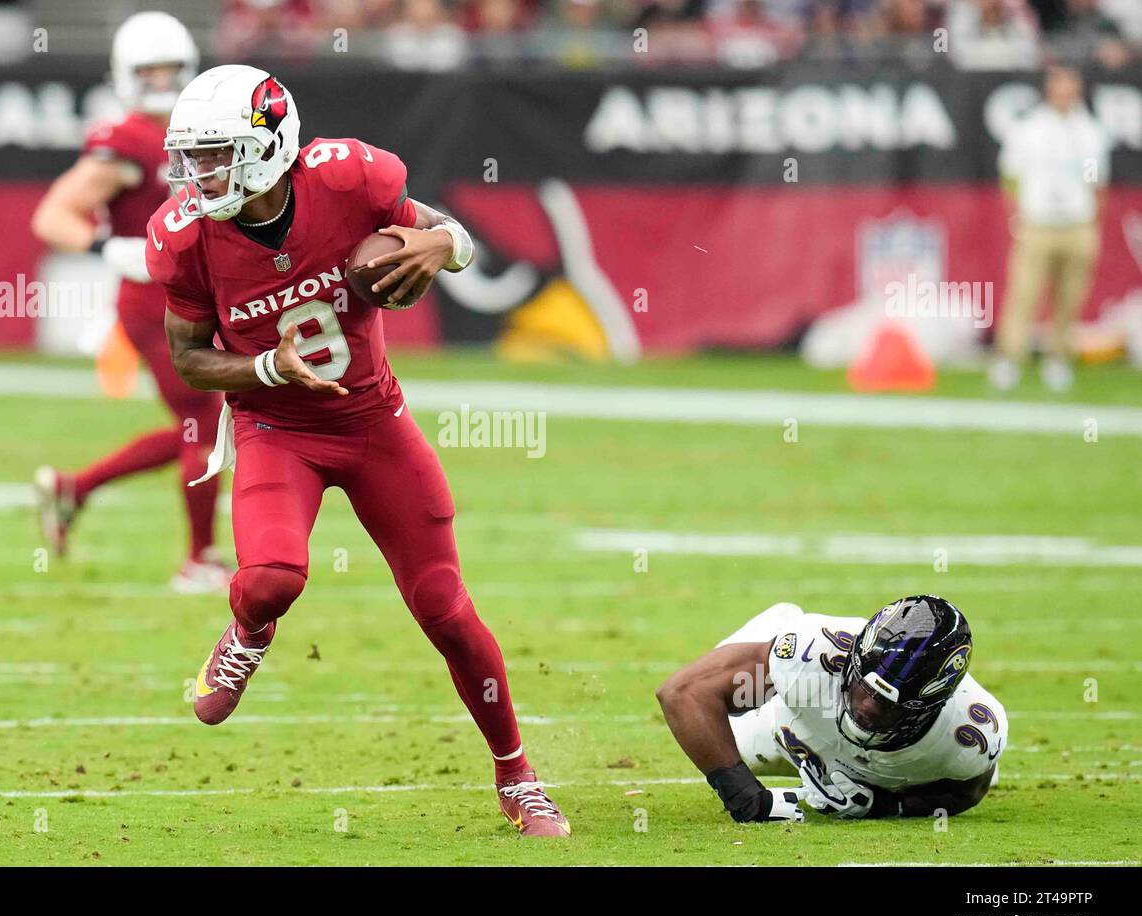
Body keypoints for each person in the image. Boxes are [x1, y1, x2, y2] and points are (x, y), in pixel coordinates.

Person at [147, 65, 571, 837]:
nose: (197, 173)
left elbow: (448, 233)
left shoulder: (350, 179)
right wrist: (267, 367)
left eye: (215, 155)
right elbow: (187, 357)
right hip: (276, 429)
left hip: (375, 421)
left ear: (269, 146)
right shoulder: (185, 237)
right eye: (192, 156)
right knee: (271, 579)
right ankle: (247, 633)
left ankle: (518, 776)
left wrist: (441, 244)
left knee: (445, 607)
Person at [31, 12, 230, 592]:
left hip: (195, 294)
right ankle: (198, 559)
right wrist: (110, 246)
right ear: (125, 74)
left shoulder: (199, 126)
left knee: (212, 422)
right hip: (155, 301)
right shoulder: (126, 141)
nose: (162, 80)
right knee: (203, 422)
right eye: (149, 70)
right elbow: (51, 214)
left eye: (170, 68)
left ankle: (76, 487)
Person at [657, 596, 1006, 822]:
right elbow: (684, 693)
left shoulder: (970, 734)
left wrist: (886, 806)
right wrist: (748, 798)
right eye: (863, 688)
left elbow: (968, 790)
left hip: (871, 766)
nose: (867, 707)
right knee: (726, 735)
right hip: (790, 728)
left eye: (887, 706)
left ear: (928, 707)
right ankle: (775, 627)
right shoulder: (815, 651)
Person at [992, 64, 1111, 392]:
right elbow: (1011, 176)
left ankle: (1058, 358)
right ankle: (1009, 358)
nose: (1065, 92)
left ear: (1078, 89)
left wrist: (1092, 222)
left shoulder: (1089, 131)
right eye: (1059, 85)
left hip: (1076, 224)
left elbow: (1096, 182)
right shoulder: (1029, 129)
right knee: (1024, 294)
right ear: (1049, 88)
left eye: (1070, 85)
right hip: (1038, 223)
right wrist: (1016, 217)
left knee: (1070, 297)